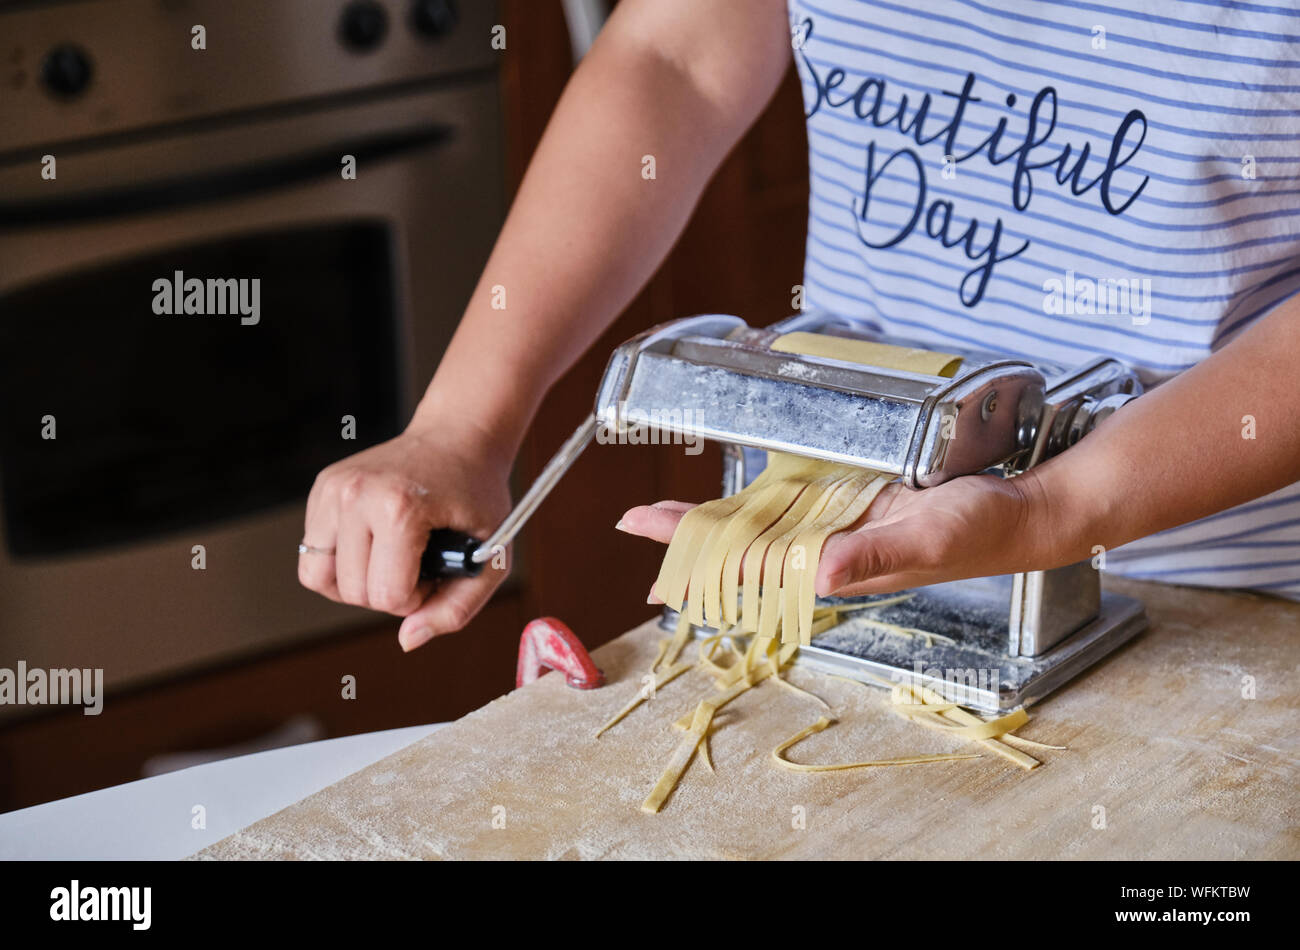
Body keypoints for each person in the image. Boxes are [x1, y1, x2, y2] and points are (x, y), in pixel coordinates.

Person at [298, 0, 1300, 651]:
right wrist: (464, 422)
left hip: (1230, 611)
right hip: (843, 549)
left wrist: (1053, 508)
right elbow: (674, 53)